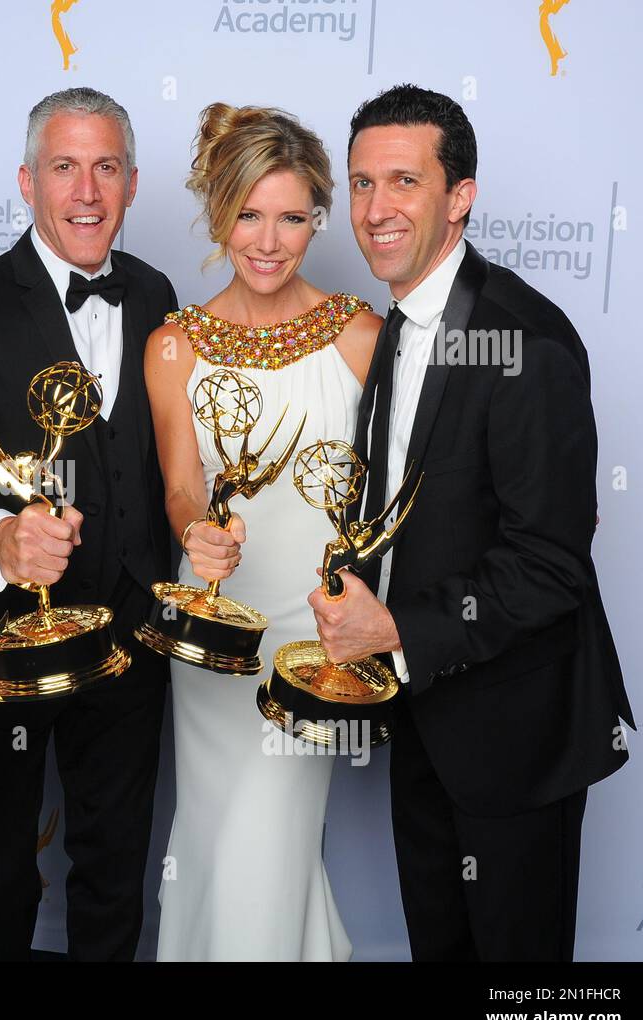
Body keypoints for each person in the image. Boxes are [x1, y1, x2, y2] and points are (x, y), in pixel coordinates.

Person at [316, 84, 635, 961]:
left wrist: (394, 628)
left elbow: (551, 564)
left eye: (404, 182)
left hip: (515, 736)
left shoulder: (525, 339)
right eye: (362, 183)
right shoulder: (399, 324)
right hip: (424, 714)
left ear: (460, 197)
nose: (376, 209)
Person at [0, 87, 177, 961]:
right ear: (27, 182)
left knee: (115, 862)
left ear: (133, 183)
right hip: (6, 640)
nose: (87, 192)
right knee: (0, 870)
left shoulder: (155, 293)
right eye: (64, 168)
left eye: (106, 168)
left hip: (129, 632)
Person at [145, 105, 380, 961]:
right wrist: (195, 532)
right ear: (218, 215)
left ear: (318, 218)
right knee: (218, 830)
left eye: (292, 217)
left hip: (317, 630)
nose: (270, 241)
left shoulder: (362, 337)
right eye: (248, 214)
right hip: (217, 624)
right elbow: (181, 487)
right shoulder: (173, 346)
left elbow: (398, 486)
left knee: (271, 830)